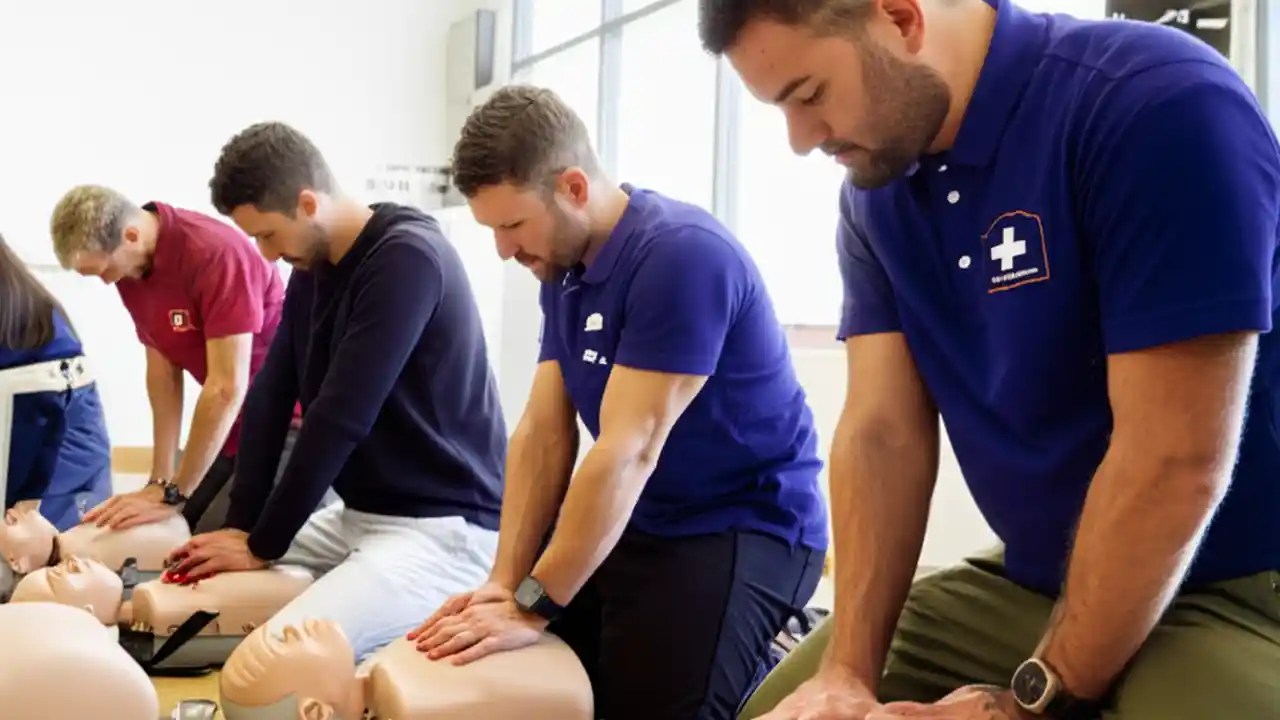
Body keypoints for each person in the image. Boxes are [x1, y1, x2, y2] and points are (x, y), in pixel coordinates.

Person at [698, 1, 1280, 718]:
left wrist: (1024, 703)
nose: (799, 140)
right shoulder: (879, 196)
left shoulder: (1154, 104)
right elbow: (882, 435)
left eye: (810, 95)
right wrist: (846, 673)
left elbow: (1174, 463)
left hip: (1238, 583)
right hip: (1038, 579)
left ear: (900, 17)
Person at [410, 85, 828, 720]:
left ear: (574, 188)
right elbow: (543, 434)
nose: (503, 250)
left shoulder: (681, 255)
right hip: (642, 514)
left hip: (742, 523)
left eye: (512, 225)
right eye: (492, 229)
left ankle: (764, 662)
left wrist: (533, 606)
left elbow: (629, 452)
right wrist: (505, 584)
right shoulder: (563, 269)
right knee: (517, 662)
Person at [164, 120, 508, 663]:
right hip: (359, 516)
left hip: (443, 528)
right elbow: (272, 393)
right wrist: (242, 528)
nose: (266, 255)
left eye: (268, 235)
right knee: (192, 576)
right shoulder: (315, 264)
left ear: (308, 203)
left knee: (273, 663)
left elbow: (339, 417)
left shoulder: (407, 259)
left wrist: (264, 545)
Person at [49, 185, 286, 534]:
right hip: (235, 425)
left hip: (289, 420)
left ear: (130, 235)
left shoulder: (215, 253)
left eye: (104, 270)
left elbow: (225, 388)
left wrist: (175, 494)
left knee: (208, 541)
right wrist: (159, 481)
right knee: (168, 530)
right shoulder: (132, 268)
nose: (107, 282)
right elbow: (162, 374)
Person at [0, 235, 112, 533]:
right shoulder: (24, 293)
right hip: (59, 425)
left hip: (48, 427)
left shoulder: (20, 309)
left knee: (44, 537)